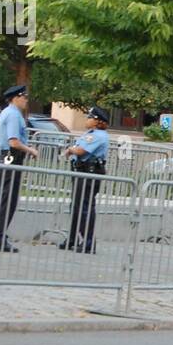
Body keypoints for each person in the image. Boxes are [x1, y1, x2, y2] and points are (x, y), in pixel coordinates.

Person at [0, 85, 39, 253]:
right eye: (24, 97)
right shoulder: (12, 115)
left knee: (5, 199)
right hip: (10, 158)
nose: (26, 100)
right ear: (15, 98)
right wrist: (30, 149)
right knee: (7, 201)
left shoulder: (12, 113)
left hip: (10, 158)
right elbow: (14, 142)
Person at [61, 106, 110, 253]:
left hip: (89, 172)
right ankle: (73, 238)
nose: (87, 120)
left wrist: (70, 150)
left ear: (97, 121)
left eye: (89, 117)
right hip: (81, 171)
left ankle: (88, 242)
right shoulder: (90, 133)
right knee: (77, 207)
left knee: (84, 208)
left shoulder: (98, 135)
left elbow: (81, 151)